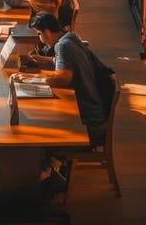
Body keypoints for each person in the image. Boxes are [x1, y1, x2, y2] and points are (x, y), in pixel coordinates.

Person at [26, 13, 112, 146]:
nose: (39, 38)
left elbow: (64, 77)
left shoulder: (62, 46)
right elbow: (64, 62)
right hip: (96, 117)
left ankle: (51, 161)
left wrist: (31, 80)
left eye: (39, 34)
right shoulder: (71, 37)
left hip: (86, 124)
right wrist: (43, 60)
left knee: (37, 128)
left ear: (47, 32)